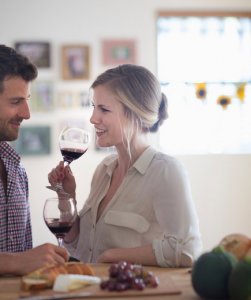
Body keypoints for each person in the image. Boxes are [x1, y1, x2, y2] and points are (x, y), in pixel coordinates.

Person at [48, 64, 202, 267]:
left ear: (135, 113)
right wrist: (66, 197)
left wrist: (113, 256)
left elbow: (186, 250)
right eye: (94, 107)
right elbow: (80, 245)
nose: (93, 118)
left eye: (104, 109)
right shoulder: (104, 170)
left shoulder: (165, 171)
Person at [0, 44, 68, 275]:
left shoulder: (15, 167)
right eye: (16, 102)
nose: (27, 113)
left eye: (27, 100)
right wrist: (14, 263)